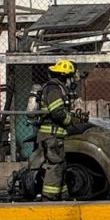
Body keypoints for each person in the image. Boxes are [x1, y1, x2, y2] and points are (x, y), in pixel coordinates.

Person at [35, 59, 85, 201]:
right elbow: (57, 113)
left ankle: (62, 196)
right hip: (52, 135)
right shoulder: (54, 89)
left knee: (60, 165)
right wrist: (72, 121)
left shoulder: (58, 88)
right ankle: (49, 198)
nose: (73, 81)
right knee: (55, 165)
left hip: (53, 135)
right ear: (65, 76)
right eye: (71, 77)